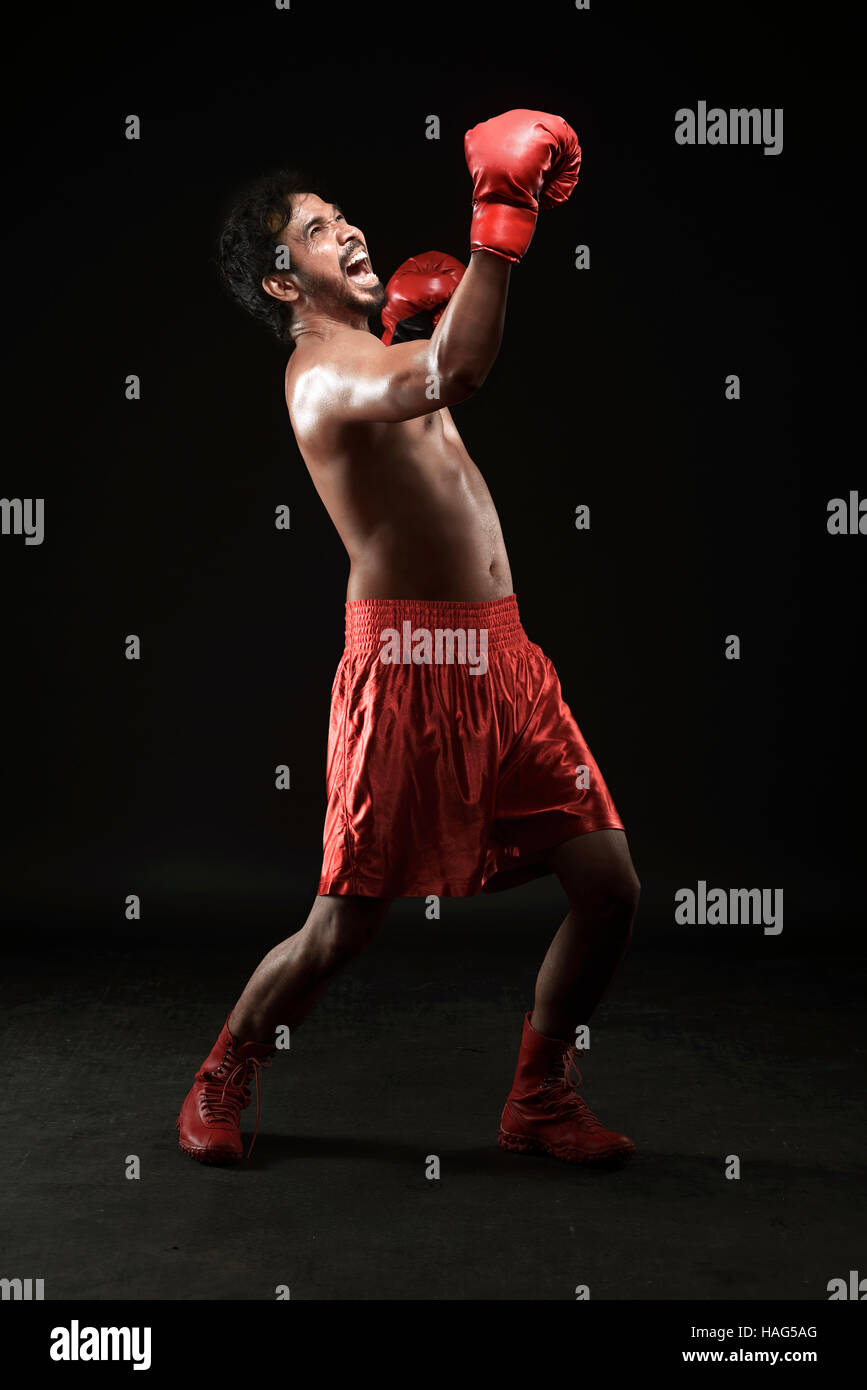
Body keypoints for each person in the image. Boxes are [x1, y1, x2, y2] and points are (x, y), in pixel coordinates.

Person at [177, 109, 640, 1168]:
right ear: (284, 284)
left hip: (504, 657)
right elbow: (461, 374)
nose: (345, 229)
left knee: (610, 885)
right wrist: (499, 221)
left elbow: (443, 372)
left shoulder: (383, 341)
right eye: (314, 230)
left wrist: (451, 296)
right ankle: (224, 1069)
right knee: (346, 924)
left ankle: (539, 1097)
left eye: (341, 213)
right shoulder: (324, 374)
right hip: (411, 665)